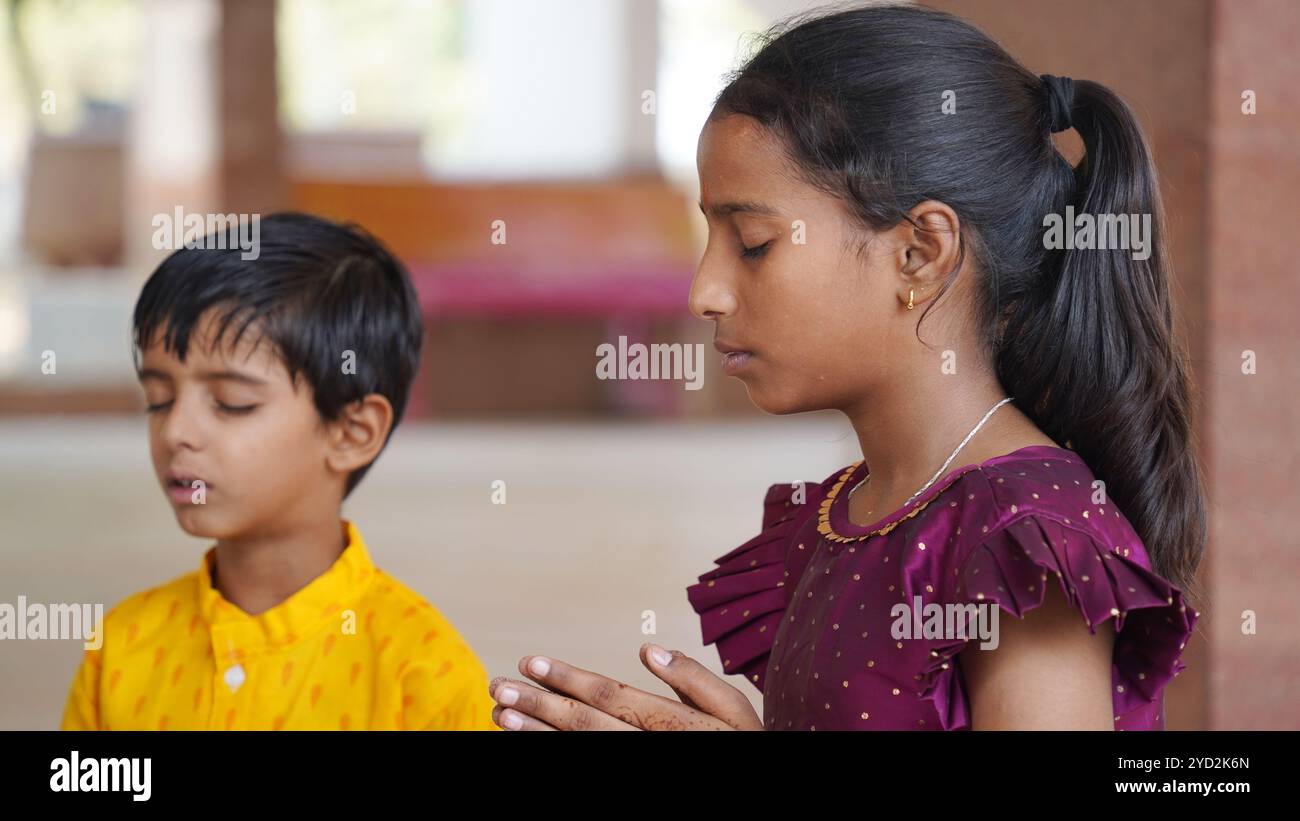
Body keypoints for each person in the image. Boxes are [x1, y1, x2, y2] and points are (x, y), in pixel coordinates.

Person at [487, 3, 1204, 731]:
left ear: (920, 254)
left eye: (755, 242)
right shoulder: (843, 513)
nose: (705, 291)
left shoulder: (1025, 538)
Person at [61, 212, 497, 730]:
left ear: (351, 432)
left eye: (231, 402)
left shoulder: (425, 674)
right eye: (158, 400)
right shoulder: (122, 648)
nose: (176, 430)